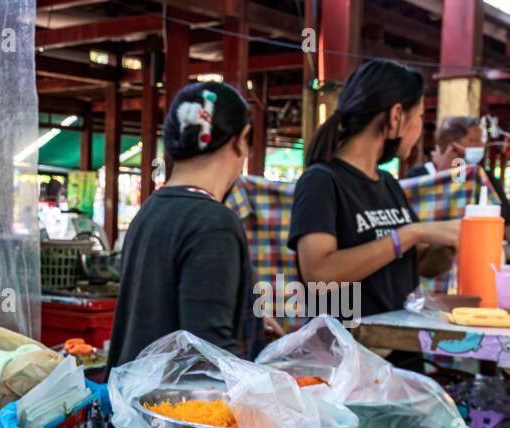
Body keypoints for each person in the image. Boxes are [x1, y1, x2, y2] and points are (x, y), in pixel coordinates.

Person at [289, 60, 460, 319]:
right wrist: (411, 233)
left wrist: (456, 244)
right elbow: (318, 273)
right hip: (348, 352)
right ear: (396, 116)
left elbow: (420, 262)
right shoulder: (321, 181)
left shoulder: (387, 183)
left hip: (398, 346)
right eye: (420, 117)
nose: (420, 129)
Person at [109, 81, 260, 366]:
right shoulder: (214, 223)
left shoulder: (151, 210)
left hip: (135, 400)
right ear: (241, 140)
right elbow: (210, 352)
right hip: (175, 407)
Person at [403, 115, 484, 179]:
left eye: (481, 141)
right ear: (452, 144)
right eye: (474, 141)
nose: (481, 146)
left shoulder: (474, 176)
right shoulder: (417, 176)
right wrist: (443, 175)